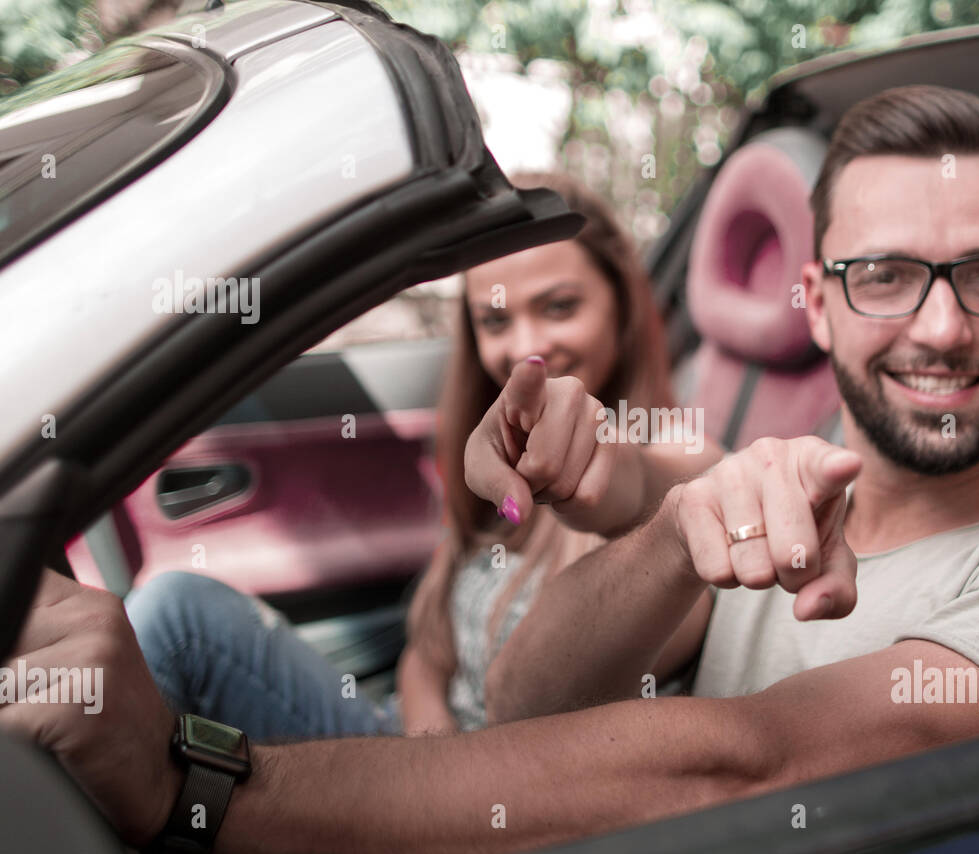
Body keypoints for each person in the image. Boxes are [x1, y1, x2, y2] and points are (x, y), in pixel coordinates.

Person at [1, 86, 979, 854]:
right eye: (883, 275)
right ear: (816, 305)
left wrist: (207, 787)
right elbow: (528, 700)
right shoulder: (751, 480)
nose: (941, 330)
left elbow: (743, 766)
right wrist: (661, 526)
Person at [120, 171, 719, 741]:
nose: (527, 345)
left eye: (560, 306)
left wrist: (609, 485)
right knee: (174, 610)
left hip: (502, 812)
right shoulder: (497, 458)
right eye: (496, 319)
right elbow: (427, 655)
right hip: (411, 748)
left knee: (176, 621)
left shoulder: (677, 453)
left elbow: (671, 481)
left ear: (623, 305)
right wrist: (425, 747)